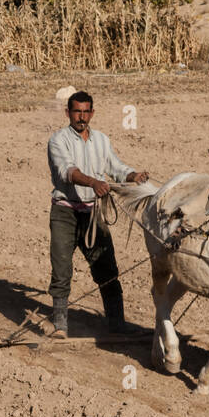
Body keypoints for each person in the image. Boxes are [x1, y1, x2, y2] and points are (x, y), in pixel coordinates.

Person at [46, 91, 149, 339]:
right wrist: (93, 182)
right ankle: (60, 326)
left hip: (94, 214)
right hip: (65, 212)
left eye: (85, 112)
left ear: (92, 113)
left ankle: (117, 324)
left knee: (107, 269)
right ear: (68, 113)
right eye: (76, 112)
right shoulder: (58, 140)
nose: (81, 117)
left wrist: (132, 175)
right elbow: (67, 172)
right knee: (61, 270)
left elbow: (115, 166)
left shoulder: (102, 140)